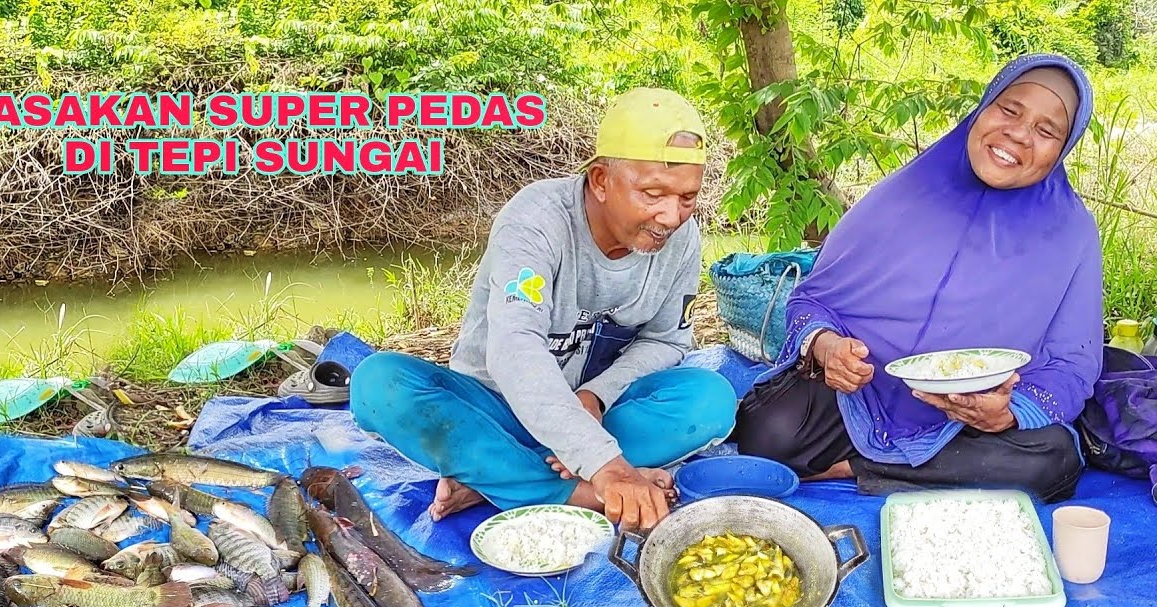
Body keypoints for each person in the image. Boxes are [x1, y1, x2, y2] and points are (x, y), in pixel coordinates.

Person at [350, 88, 737, 529]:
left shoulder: (681, 241)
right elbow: (514, 348)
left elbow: (666, 340)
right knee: (379, 385)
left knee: (710, 399)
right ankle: (578, 493)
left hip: (596, 412)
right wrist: (605, 466)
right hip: (496, 408)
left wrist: (596, 397)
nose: (671, 216)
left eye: (687, 198)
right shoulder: (537, 220)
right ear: (600, 181)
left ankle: (496, 476)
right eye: (653, 194)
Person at [732, 53, 1103, 503]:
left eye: (1047, 131)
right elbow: (812, 301)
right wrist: (827, 348)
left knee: (1053, 462)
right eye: (1009, 110)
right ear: (983, 108)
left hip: (968, 422)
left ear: (1061, 150)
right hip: (860, 397)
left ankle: (857, 468)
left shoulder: (1071, 233)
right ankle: (904, 469)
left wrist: (1005, 416)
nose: (1019, 135)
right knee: (766, 430)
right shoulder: (901, 195)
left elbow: (1073, 363)